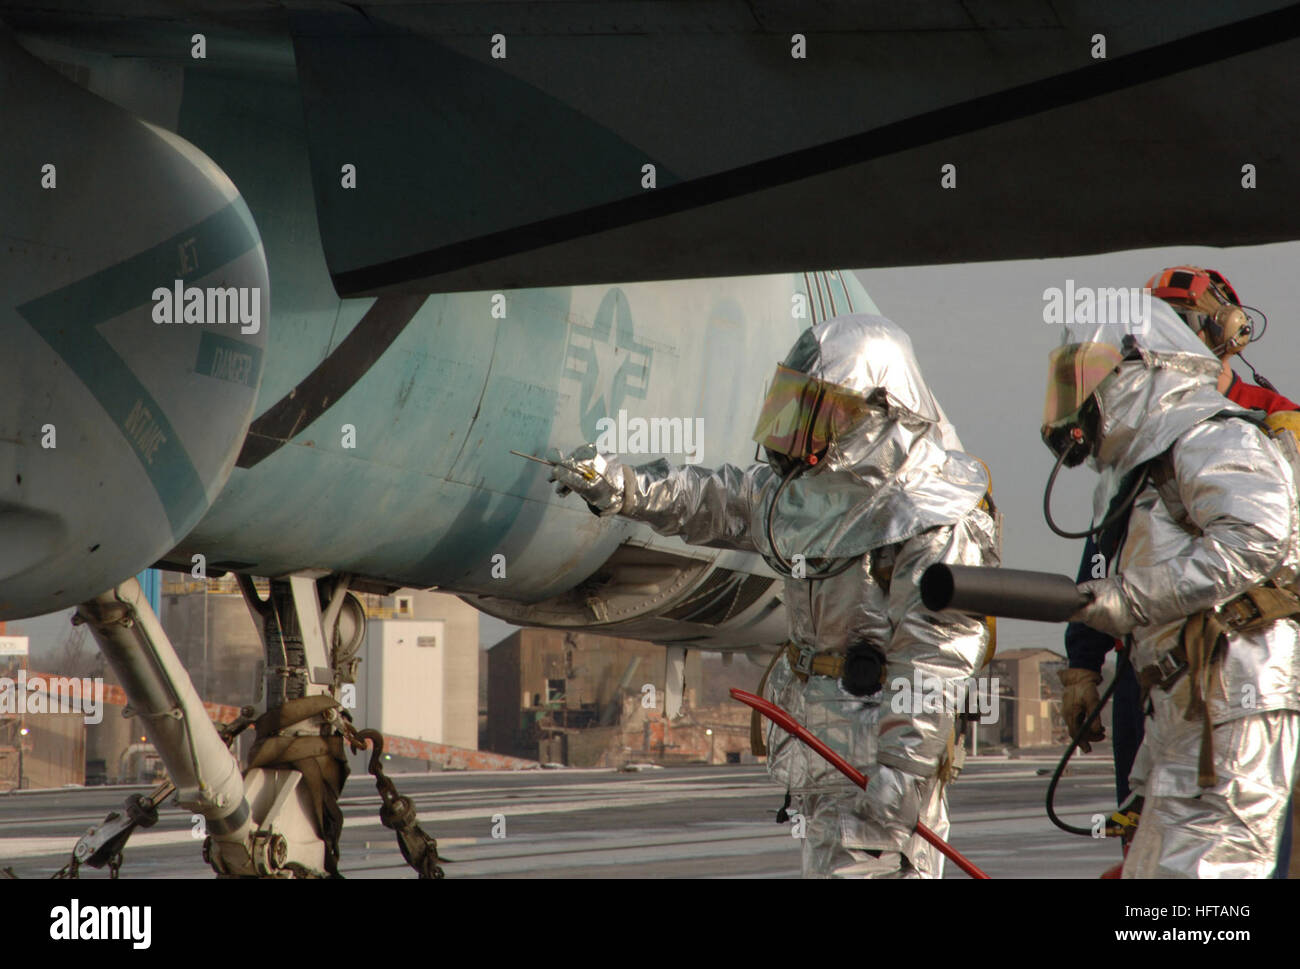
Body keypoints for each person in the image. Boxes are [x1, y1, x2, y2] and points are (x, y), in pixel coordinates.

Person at [549, 314, 999, 877]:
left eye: (823, 414)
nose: (802, 432)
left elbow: (934, 661)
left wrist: (901, 776)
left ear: (882, 413)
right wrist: (623, 488)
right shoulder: (805, 494)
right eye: (798, 408)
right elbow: (714, 500)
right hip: (824, 747)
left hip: (878, 759)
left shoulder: (934, 515)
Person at [1043, 294, 1300, 878]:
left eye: (1082, 380)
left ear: (1137, 370)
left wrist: (1129, 600)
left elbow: (1256, 541)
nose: (1074, 402)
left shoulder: (1210, 436)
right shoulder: (1144, 469)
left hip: (1236, 702)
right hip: (1186, 702)